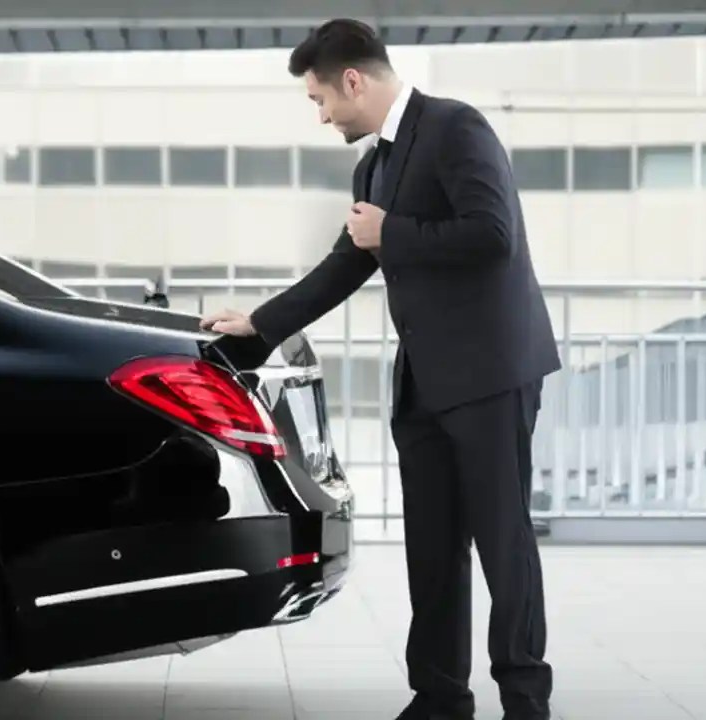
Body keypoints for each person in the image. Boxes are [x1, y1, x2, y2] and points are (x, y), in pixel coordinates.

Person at [199, 18, 561, 720]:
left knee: (503, 547)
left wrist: (391, 232)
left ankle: (526, 701)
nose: (322, 114)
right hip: (425, 384)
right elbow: (345, 264)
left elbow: (493, 235)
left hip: (490, 376)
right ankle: (440, 699)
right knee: (432, 549)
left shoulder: (457, 128)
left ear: (353, 80)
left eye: (319, 99)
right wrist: (260, 325)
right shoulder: (374, 164)